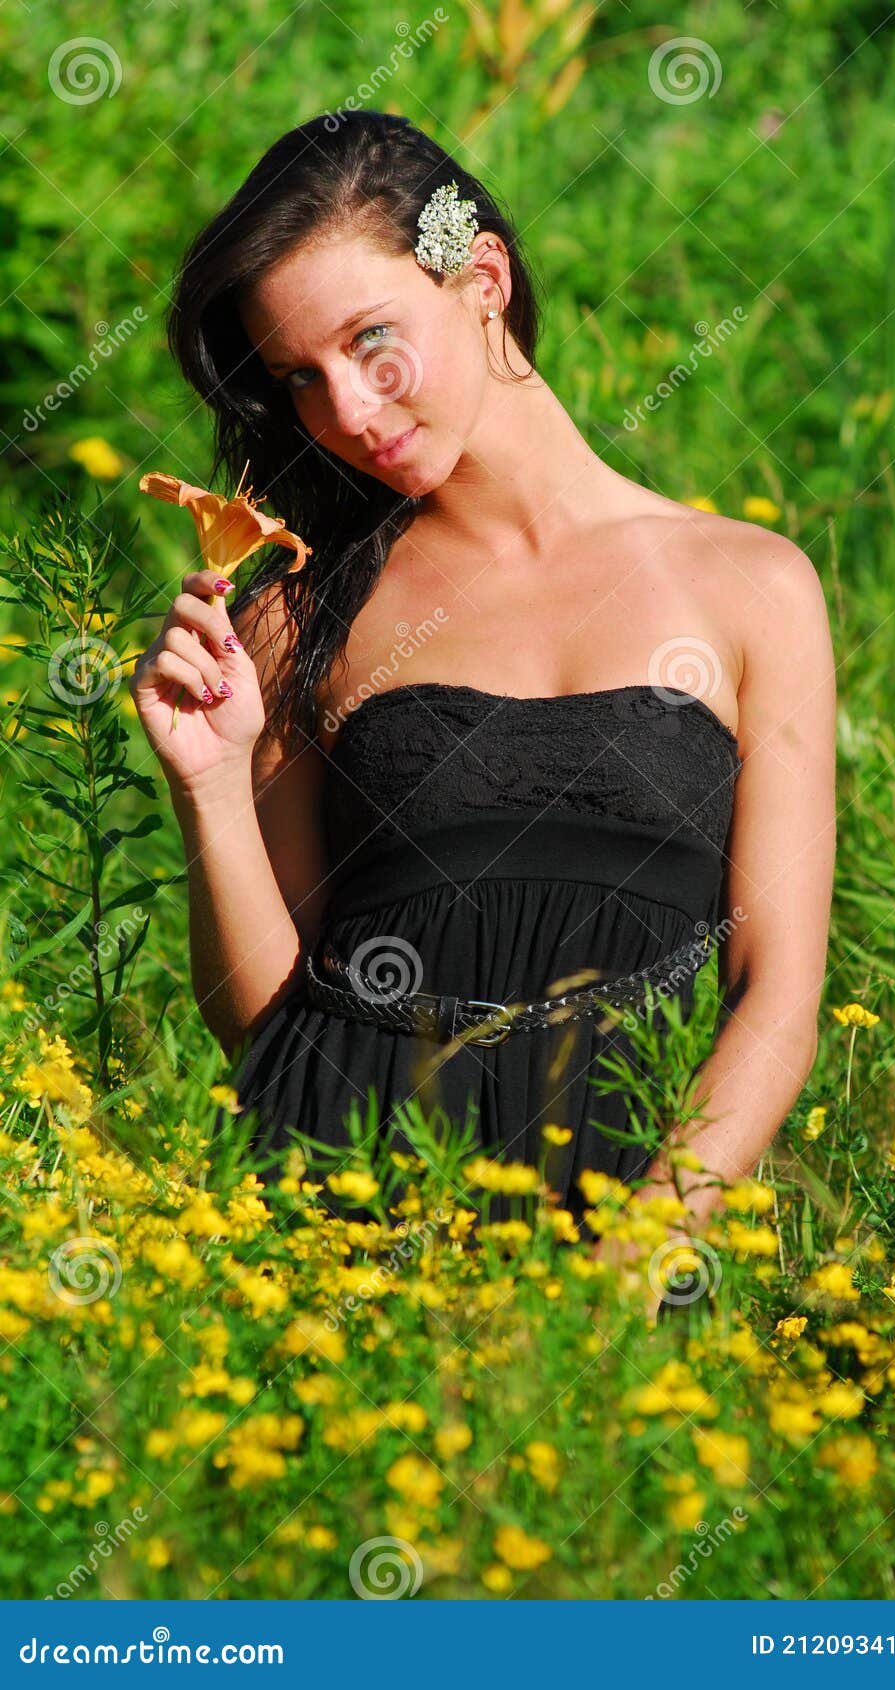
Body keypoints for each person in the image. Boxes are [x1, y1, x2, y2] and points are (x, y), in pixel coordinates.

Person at [128, 111, 835, 1253]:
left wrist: (635, 1259)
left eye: (371, 341)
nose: (346, 413)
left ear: (482, 277)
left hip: (634, 1243)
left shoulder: (751, 586)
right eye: (301, 378)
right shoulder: (296, 615)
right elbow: (272, 1028)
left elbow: (779, 997)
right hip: (347, 1231)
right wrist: (207, 789)